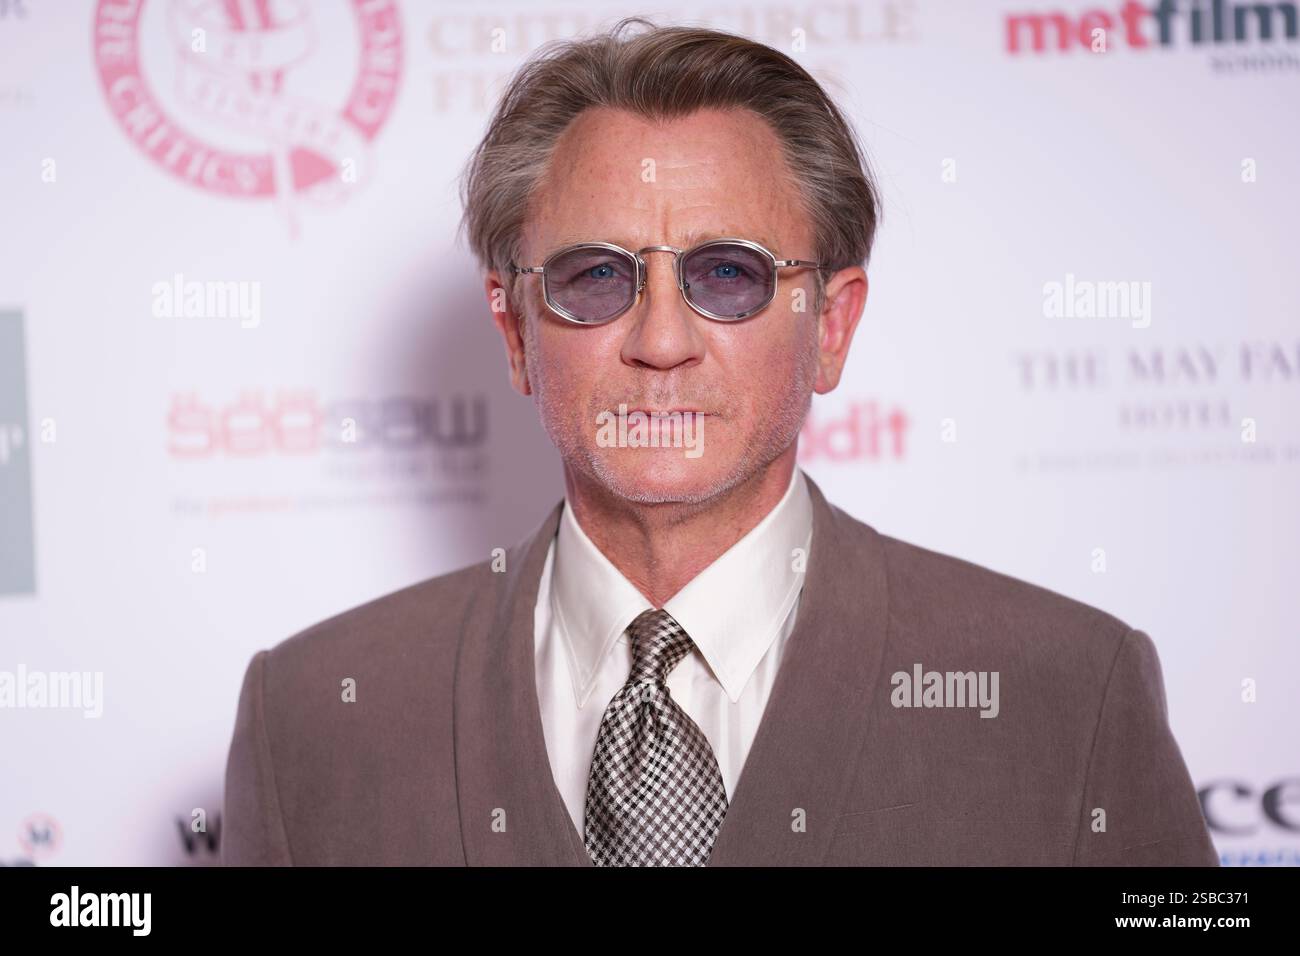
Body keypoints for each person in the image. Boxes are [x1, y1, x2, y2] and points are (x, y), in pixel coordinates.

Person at [221, 18, 1217, 867]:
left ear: (830, 325)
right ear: (516, 331)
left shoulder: (1066, 696)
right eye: (597, 278)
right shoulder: (313, 715)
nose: (660, 341)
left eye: (729, 274)